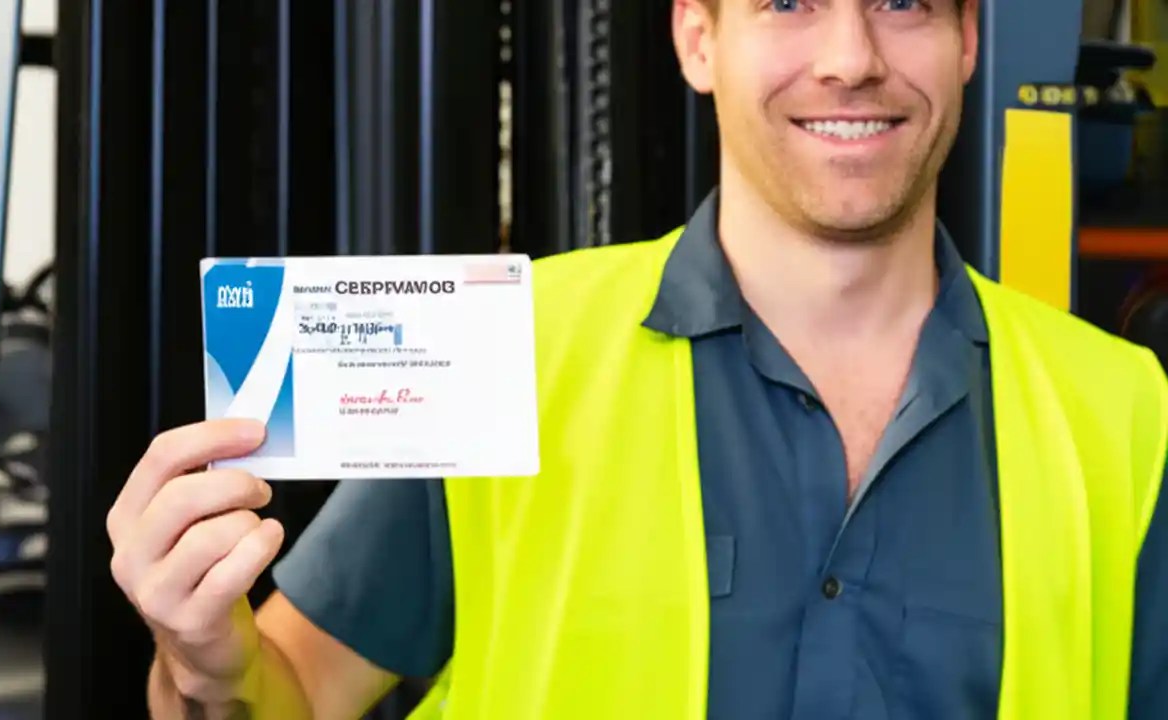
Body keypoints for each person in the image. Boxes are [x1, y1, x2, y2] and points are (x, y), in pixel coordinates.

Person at [106, 0, 1168, 717]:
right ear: (695, 39)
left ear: (967, 39)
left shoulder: (1121, 411)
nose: (851, 55)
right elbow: (290, 688)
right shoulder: (505, 359)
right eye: (786, 0)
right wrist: (206, 663)